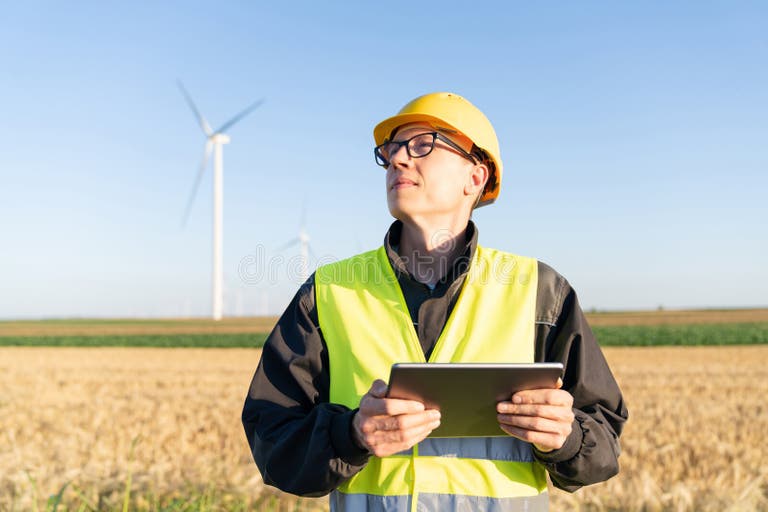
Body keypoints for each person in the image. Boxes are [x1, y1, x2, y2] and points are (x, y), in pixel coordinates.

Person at [242, 92, 628, 511]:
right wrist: (350, 434)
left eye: (422, 144)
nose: (397, 160)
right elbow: (272, 436)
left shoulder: (541, 292)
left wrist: (566, 438)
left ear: (475, 178)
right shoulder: (329, 291)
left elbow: (603, 443)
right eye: (390, 150)